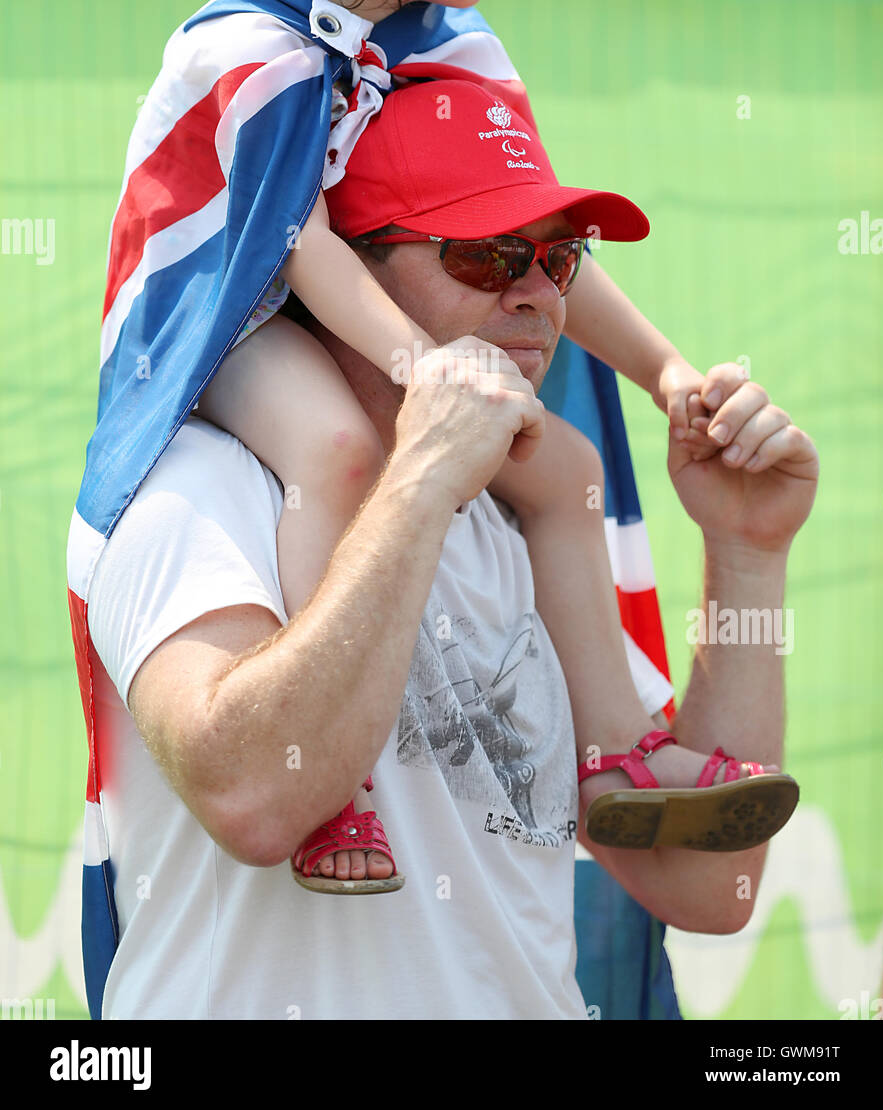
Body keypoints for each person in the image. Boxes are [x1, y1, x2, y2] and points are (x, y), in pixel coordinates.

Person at [81, 76, 818, 1019]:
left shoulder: (527, 520)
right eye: (487, 256)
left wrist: (746, 549)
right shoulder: (199, 484)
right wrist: (424, 475)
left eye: (558, 262)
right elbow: (256, 800)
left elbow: (717, 891)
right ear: (341, 272)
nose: (538, 301)